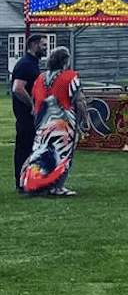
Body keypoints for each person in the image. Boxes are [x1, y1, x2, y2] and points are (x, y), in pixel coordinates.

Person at [20, 46, 89, 197]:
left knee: (40, 154)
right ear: (65, 61)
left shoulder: (41, 78)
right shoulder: (71, 76)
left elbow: (35, 101)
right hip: (64, 123)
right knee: (63, 156)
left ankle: (36, 183)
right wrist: (86, 119)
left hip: (43, 123)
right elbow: (79, 100)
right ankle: (57, 187)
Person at [11, 33, 47, 192]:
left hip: (32, 115)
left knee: (32, 149)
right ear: (33, 45)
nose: (46, 48)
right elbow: (17, 88)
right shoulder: (26, 64)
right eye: (43, 45)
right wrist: (32, 105)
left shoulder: (33, 63)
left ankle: (29, 181)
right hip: (26, 115)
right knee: (25, 148)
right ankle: (22, 182)